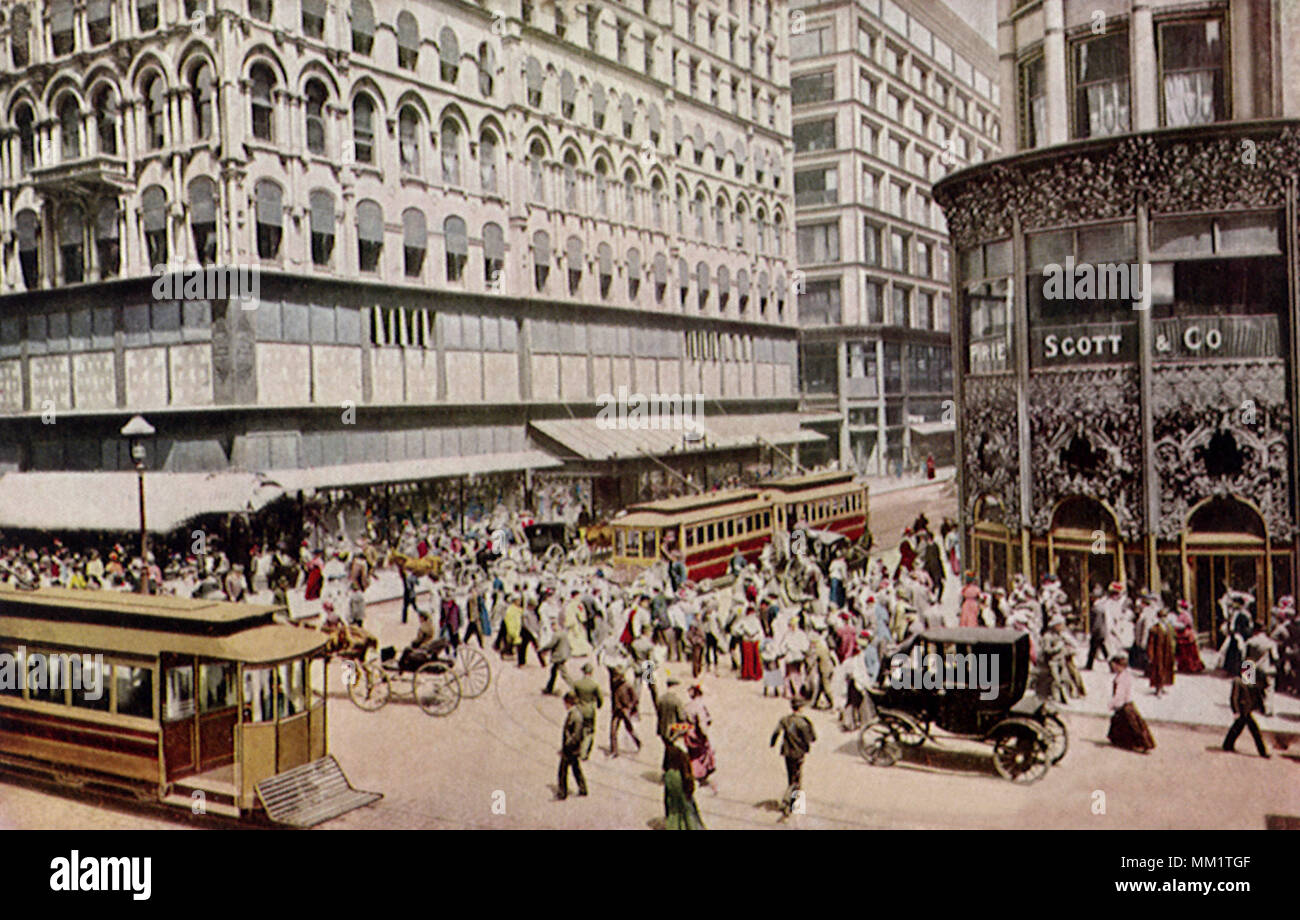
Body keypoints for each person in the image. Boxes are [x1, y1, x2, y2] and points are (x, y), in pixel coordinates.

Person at [770, 698, 816, 819]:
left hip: (787, 752)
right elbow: (812, 738)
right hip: (799, 753)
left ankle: (794, 803)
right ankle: (789, 802)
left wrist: (773, 743)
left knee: (791, 776)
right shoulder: (804, 722)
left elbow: (776, 732)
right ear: (801, 708)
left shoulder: (785, 720)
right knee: (797, 778)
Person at [1107, 654, 1155, 753]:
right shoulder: (1127, 675)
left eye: (1114, 666)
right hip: (1129, 703)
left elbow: (1119, 694)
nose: (1112, 668)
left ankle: (1139, 743)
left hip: (1124, 705)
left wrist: (1112, 704)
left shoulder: (1120, 679)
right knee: (1130, 724)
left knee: (1130, 725)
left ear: (1118, 666)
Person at [1222, 662, 1271, 758]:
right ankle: (1262, 752)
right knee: (1254, 731)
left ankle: (1227, 745)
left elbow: (1258, 696)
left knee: (1237, 728)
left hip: (1247, 710)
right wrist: (1236, 711)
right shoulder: (1238, 681)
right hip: (1242, 711)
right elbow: (1234, 698)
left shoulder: (1251, 683)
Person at [662, 722, 705, 830]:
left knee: (672, 804)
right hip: (679, 778)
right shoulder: (683, 751)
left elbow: (664, 765)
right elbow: (686, 773)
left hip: (669, 778)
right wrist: (691, 786)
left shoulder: (669, 747)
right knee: (686, 806)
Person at [557, 692, 588, 800]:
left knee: (562, 771)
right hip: (573, 748)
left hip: (570, 749)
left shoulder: (576, 716)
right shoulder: (574, 713)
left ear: (569, 702)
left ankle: (562, 793)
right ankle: (583, 789)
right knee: (576, 769)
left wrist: (566, 746)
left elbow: (576, 735)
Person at [683, 684, 716, 784]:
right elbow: (702, 723)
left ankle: (694, 773)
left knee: (693, 754)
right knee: (701, 754)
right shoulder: (699, 706)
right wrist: (705, 734)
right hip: (697, 734)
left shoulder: (687, 706)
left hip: (689, 733)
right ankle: (699, 774)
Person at [572, 662, 604, 760]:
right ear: (591, 672)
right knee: (589, 732)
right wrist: (599, 705)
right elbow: (600, 698)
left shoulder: (577, 683)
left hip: (579, 710)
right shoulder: (594, 685)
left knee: (577, 730)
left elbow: (573, 696)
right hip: (590, 711)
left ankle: (576, 749)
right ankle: (584, 753)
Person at [609, 667, 642, 758]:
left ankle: (638, 742)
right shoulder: (615, 686)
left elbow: (635, 698)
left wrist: (629, 707)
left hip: (625, 710)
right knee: (613, 730)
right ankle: (614, 751)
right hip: (616, 711)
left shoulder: (628, 686)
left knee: (629, 728)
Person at [655, 677, 688, 766]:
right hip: (673, 731)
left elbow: (659, 714)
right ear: (675, 687)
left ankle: (666, 766)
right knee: (672, 750)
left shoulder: (661, 699)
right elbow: (682, 718)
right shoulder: (677, 701)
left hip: (663, 730)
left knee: (667, 749)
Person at [1145, 605, 1177, 697]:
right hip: (1158, 653)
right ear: (1158, 618)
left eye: (1165, 617)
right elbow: (1150, 644)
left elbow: (1173, 639)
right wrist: (1150, 655)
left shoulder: (1169, 627)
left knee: (1166, 669)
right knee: (1158, 670)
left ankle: (1163, 686)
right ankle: (1158, 688)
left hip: (1167, 652)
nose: (1163, 619)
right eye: (1162, 617)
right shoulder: (1154, 629)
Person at [1172, 599, 1205, 673]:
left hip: (1185, 633)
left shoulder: (1185, 614)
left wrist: (1180, 625)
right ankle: (1185, 666)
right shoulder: (1182, 614)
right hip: (1183, 633)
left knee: (1188, 651)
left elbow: (1188, 624)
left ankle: (1191, 666)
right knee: (1184, 651)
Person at [540, 629, 572, 694]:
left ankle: (575, 688)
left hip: (558, 656)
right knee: (553, 672)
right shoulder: (563, 633)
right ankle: (549, 688)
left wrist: (543, 649)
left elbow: (551, 644)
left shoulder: (556, 635)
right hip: (563, 655)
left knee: (564, 674)